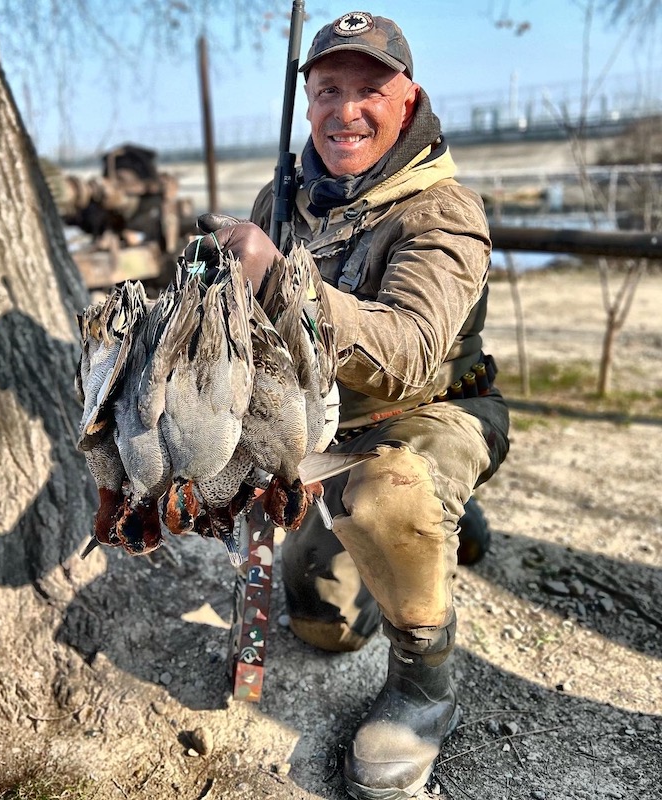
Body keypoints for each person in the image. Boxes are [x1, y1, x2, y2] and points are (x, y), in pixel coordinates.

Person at [185, 11, 510, 799]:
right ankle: (425, 531)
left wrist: (280, 282)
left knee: (389, 496)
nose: (347, 110)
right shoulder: (282, 194)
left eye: (371, 89)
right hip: (320, 431)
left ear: (409, 100)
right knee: (322, 627)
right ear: (307, 103)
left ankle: (426, 682)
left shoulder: (445, 212)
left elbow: (406, 356)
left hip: (430, 413)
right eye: (329, 89)